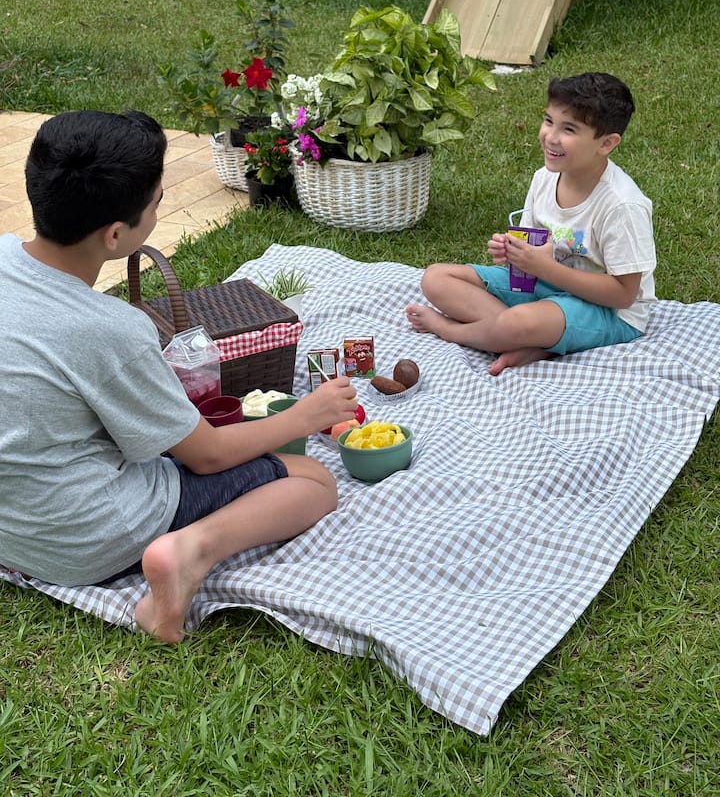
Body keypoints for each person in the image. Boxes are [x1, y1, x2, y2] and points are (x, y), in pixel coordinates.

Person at [0, 109, 357, 644]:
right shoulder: (112, 329)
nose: (158, 210)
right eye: (157, 204)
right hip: (85, 540)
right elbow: (206, 455)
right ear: (116, 235)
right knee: (313, 481)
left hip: (12, 529)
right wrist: (305, 416)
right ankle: (190, 552)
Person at [406, 72, 656, 375]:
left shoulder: (621, 205)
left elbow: (624, 295)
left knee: (517, 321)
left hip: (608, 311)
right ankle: (525, 339)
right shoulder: (545, 178)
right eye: (549, 121)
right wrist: (514, 251)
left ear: (606, 143)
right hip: (547, 287)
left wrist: (545, 268)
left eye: (569, 129)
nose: (550, 136)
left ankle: (454, 331)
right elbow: (536, 245)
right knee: (436, 278)